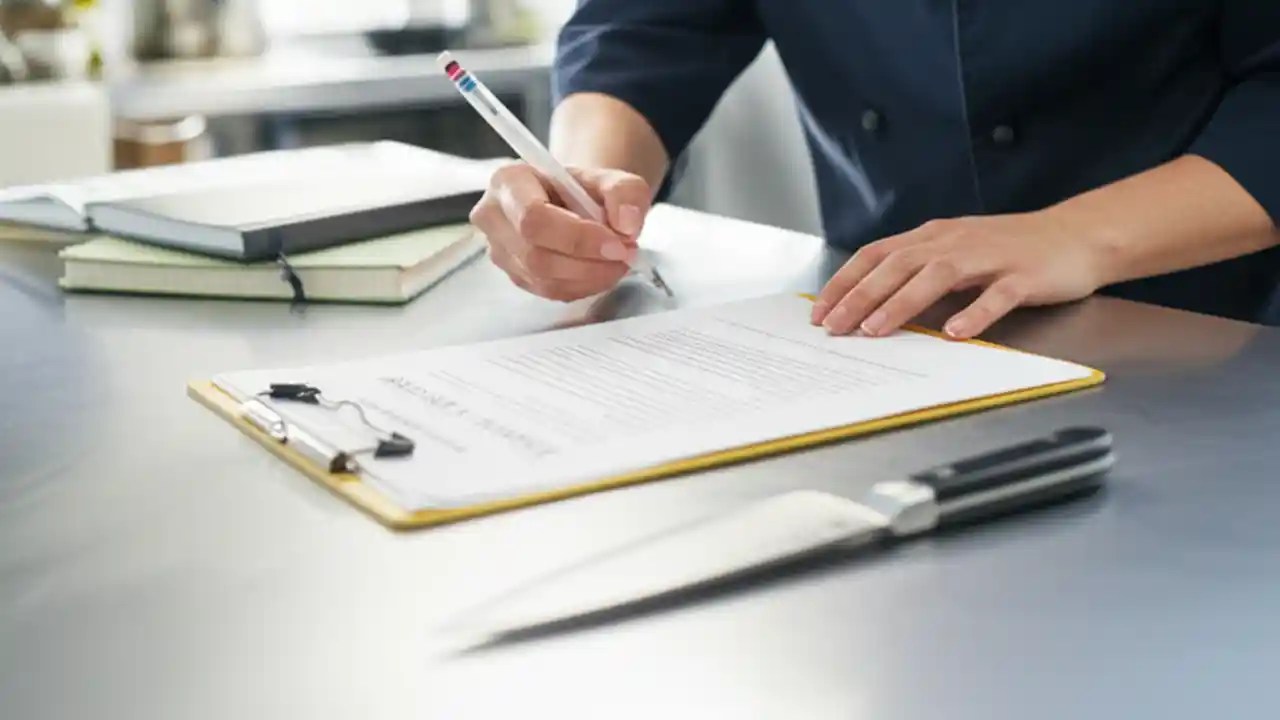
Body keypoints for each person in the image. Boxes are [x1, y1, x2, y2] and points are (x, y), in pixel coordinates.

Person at [468, 1, 1280, 338]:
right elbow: (644, 29)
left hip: (1207, 327)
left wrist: (1078, 235)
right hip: (880, 330)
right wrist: (581, 183)